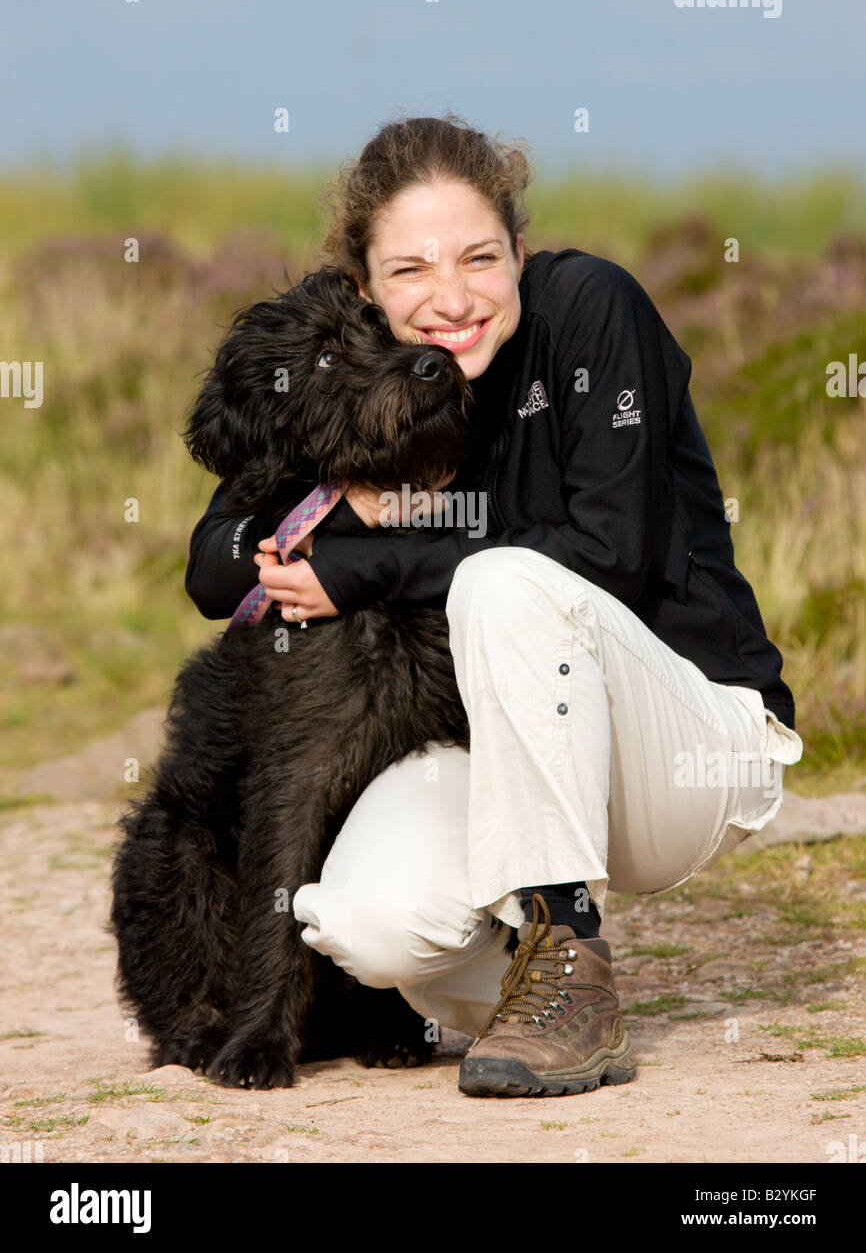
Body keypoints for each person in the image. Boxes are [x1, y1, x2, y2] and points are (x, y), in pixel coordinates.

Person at [184, 114, 804, 1098]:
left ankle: (562, 946)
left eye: (479, 257)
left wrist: (370, 564)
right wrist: (311, 526)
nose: (450, 298)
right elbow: (217, 565)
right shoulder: (384, 381)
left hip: (685, 745)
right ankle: (552, 992)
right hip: (514, 762)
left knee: (502, 580)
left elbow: (612, 555)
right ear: (363, 289)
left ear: (519, 251)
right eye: (410, 271)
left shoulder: (590, 309)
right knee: (362, 921)